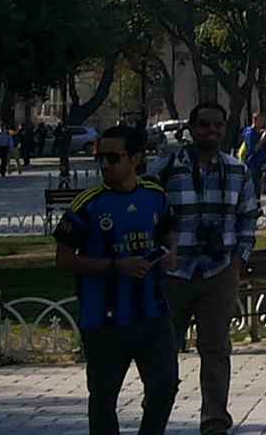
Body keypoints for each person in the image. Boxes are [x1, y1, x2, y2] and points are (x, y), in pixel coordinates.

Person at [53, 125, 179, 435]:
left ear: (136, 158)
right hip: (104, 319)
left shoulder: (155, 195)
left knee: (164, 386)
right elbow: (64, 258)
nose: (105, 165)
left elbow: (168, 234)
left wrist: (169, 254)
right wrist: (115, 266)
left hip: (152, 313)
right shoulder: (88, 205)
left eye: (113, 157)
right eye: (101, 159)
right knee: (104, 399)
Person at [155, 101, 257, 435]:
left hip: (219, 271)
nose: (211, 131)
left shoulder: (237, 170)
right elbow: (149, 216)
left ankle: (214, 421)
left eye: (217, 125)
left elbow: (248, 217)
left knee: (216, 350)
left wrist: (240, 257)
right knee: (164, 349)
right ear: (191, 129)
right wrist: (160, 253)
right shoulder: (166, 169)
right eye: (204, 125)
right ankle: (154, 414)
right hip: (175, 272)